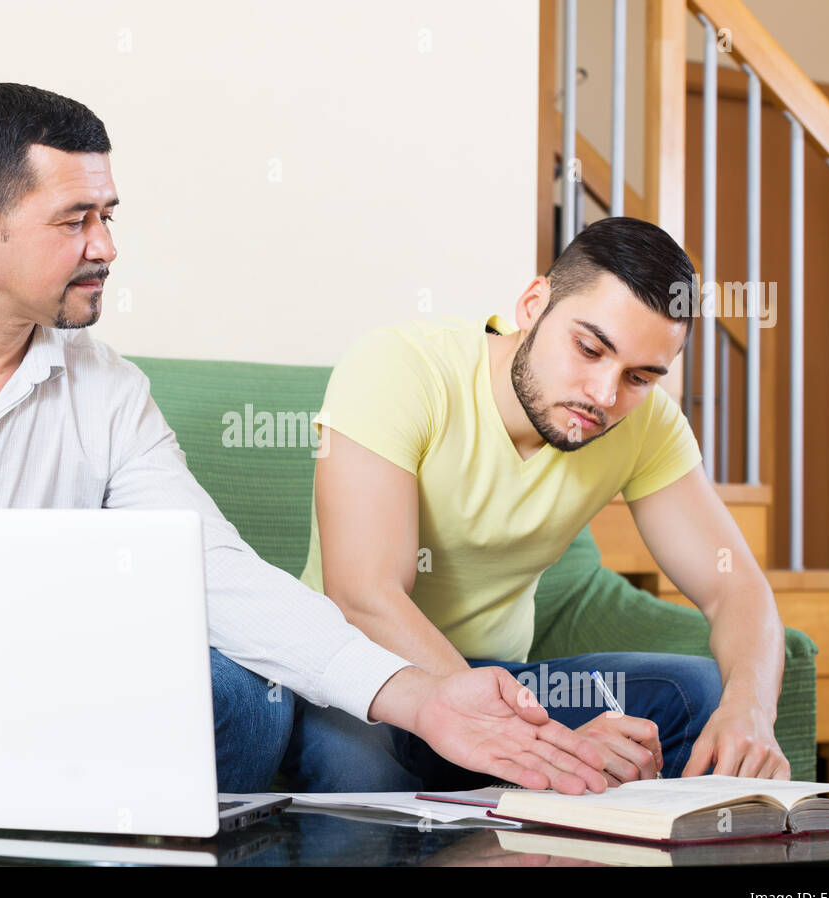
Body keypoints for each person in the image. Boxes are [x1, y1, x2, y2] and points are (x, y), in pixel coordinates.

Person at [0, 83, 611, 866]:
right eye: (75, 221)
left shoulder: (108, 391)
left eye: (109, 216)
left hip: (53, 723)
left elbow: (215, 574)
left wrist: (420, 695)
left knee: (248, 699)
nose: (105, 246)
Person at [279, 217, 790, 793]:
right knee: (356, 760)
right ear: (533, 304)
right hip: (371, 676)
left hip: (515, 687)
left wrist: (751, 710)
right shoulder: (400, 368)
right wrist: (545, 742)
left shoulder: (646, 424)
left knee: (701, 696)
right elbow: (363, 595)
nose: (603, 395)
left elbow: (736, 587)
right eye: (589, 348)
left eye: (640, 376)